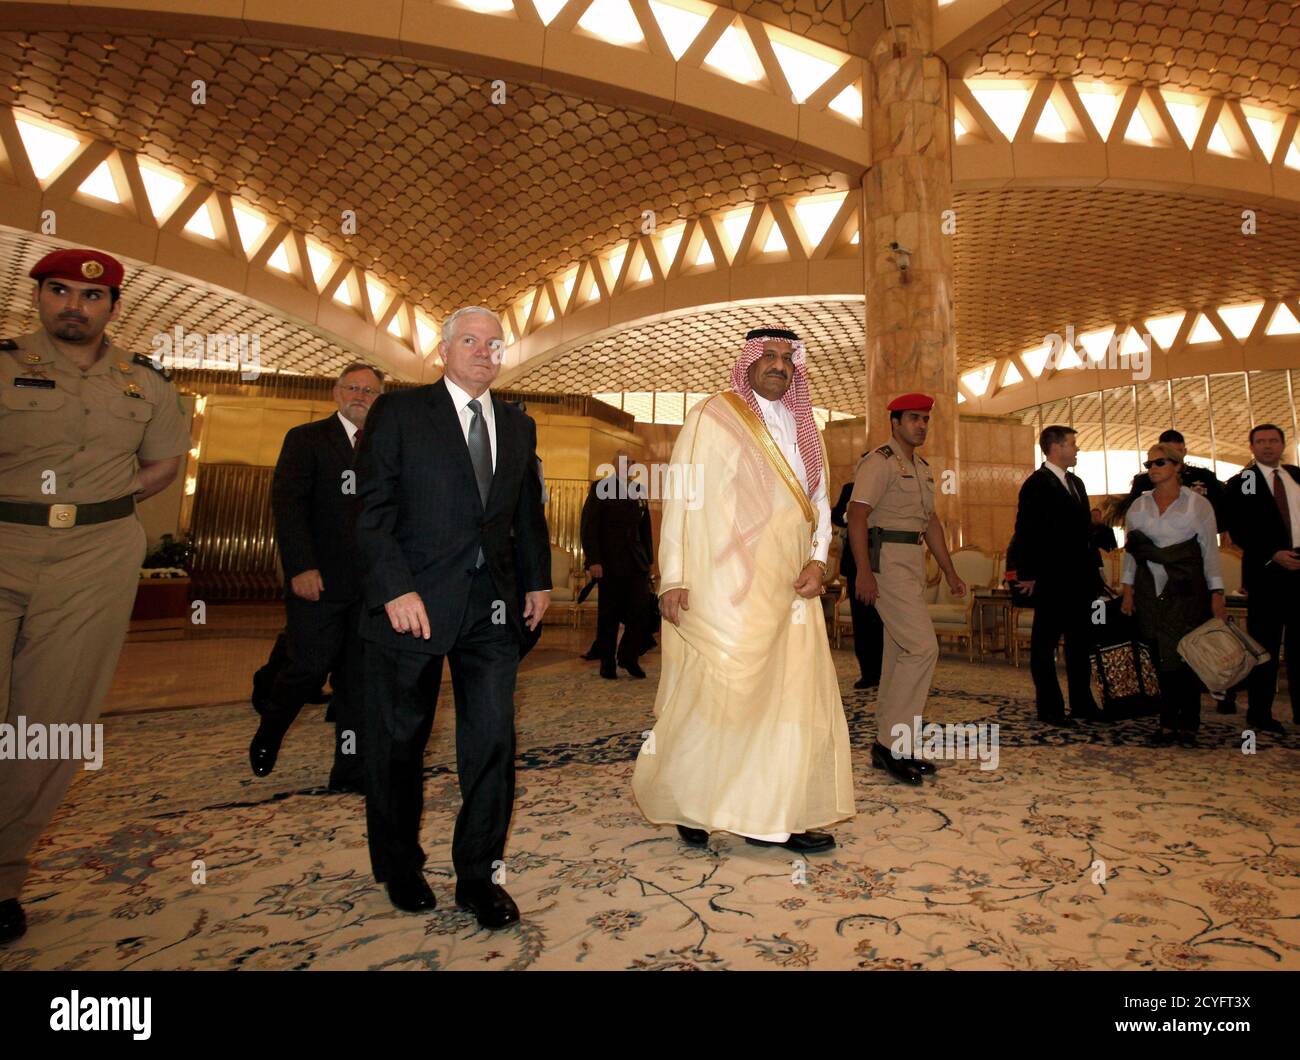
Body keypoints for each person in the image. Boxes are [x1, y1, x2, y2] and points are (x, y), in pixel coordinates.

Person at [0, 248, 189, 945]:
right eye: (58, 292)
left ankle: (3, 872)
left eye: (89, 296)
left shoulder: (144, 382)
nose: (72, 307)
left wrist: (92, 503)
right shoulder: (4, 362)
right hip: (3, 539)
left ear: (112, 305)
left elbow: (163, 463)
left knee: (52, 720)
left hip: (96, 555)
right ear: (39, 297)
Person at [355, 305, 550, 928]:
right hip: (411, 604)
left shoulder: (519, 426)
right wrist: (394, 589)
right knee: (398, 742)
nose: (483, 352)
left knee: (492, 740)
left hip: (491, 609)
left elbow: (526, 514)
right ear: (443, 350)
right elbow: (373, 509)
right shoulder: (401, 413)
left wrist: (538, 581)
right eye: (470, 341)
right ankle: (400, 866)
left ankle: (478, 876)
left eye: (494, 344)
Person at [632, 326, 854, 853]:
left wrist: (819, 561)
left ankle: (777, 813)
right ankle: (692, 800)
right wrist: (675, 575)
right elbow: (682, 497)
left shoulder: (807, 426)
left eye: (786, 358)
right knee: (721, 694)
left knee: (790, 698)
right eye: (768, 356)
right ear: (748, 362)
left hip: (791, 584)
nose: (778, 365)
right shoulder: (713, 415)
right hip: (723, 584)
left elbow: (818, 501)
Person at [248, 363, 384, 791]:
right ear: (335, 392)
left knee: (358, 681)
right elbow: (287, 507)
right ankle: (271, 727)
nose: (360, 395)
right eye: (353, 388)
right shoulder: (306, 439)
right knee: (307, 668)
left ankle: (350, 767)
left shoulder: (386, 446)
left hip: (371, 585)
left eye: (370, 390)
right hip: (318, 579)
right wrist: (301, 568)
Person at [847, 394, 967, 784]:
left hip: (910, 561)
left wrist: (949, 571)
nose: (921, 425)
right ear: (895, 422)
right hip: (886, 561)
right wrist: (864, 571)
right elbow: (857, 515)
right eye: (914, 418)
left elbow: (930, 522)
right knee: (923, 648)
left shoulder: (922, 468)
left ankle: (892, 744)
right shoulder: (879, 461)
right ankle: (891, 745)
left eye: (925, 420)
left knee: (900, 654)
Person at [1120, 443, 1226, 746]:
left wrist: (1216, 592)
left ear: (1178, 467)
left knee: (1185, 654)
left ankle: (1188, 723)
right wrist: (1127, 590)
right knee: (1160, 656)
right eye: (1149, 463)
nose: (1152, 468)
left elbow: (1209, 553)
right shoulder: (1139, 507)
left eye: (1160, 462)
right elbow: (1132, 553)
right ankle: (1167, 722)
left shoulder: (1198, 506)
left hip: (1186, 590)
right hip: (1149, 589)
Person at [1011, 425, 1105, 727]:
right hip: (1051, 580)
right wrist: (1025, 574)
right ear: (1055, 447)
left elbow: (1083, 534)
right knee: (1045, 646)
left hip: (1080, 579)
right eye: (1072, 444)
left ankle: (1082, 704)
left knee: (1080, 645)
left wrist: (1096, 570)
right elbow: (1026, 532)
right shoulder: (1036, 484)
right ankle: (1050, 708)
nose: (1076, 449)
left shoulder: (1076, 482)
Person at [1224, 424, 1300, 735]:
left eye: (1272, 441)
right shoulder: (1244, 482)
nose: (1267, 446)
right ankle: (1260, 713)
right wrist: (1273, 553)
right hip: (1267, 573)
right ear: (1252, 447)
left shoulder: (1296, 477)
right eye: (1261, 442)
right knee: (1264, 648)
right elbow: (1240, 528)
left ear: (1282, 444)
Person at [580, 451, 654, 680]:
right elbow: (589, 526)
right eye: (624, 462)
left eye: (632, 462)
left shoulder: (638, 489)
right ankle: (607, 662)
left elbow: (645, 529)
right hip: (609, 563)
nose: (628, 465)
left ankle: (628, 656)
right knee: (608, 616)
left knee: (641, 612)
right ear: (613, 464)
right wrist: (594, 560)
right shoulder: (600, 487)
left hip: (636, 563)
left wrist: (648, 560)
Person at [1109, 429, 1228, 530]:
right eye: (1169, 452)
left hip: (1194, 542)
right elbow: (1132, 515)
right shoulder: (1145, 480)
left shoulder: (1204, 476)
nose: (1174, 456)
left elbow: (1220, 513)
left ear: (1184, 452)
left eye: (1178, 452)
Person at [831, 464, 884, 689]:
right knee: (862, 622)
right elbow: (836, 515)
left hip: (885, 562)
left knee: (884, 621)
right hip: (856, 565)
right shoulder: (850, 489)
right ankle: (868, 673)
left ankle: (888, 671)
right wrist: (852, 515)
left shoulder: (886, 488)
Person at [1090, 507, 1118, 579]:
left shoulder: (1108, 530)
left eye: (1096, 515)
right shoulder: (1088, 530)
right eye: (1093, 516)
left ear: (1100, 516)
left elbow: (1114, 545)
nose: (1095, 518)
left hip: (1106, 557)